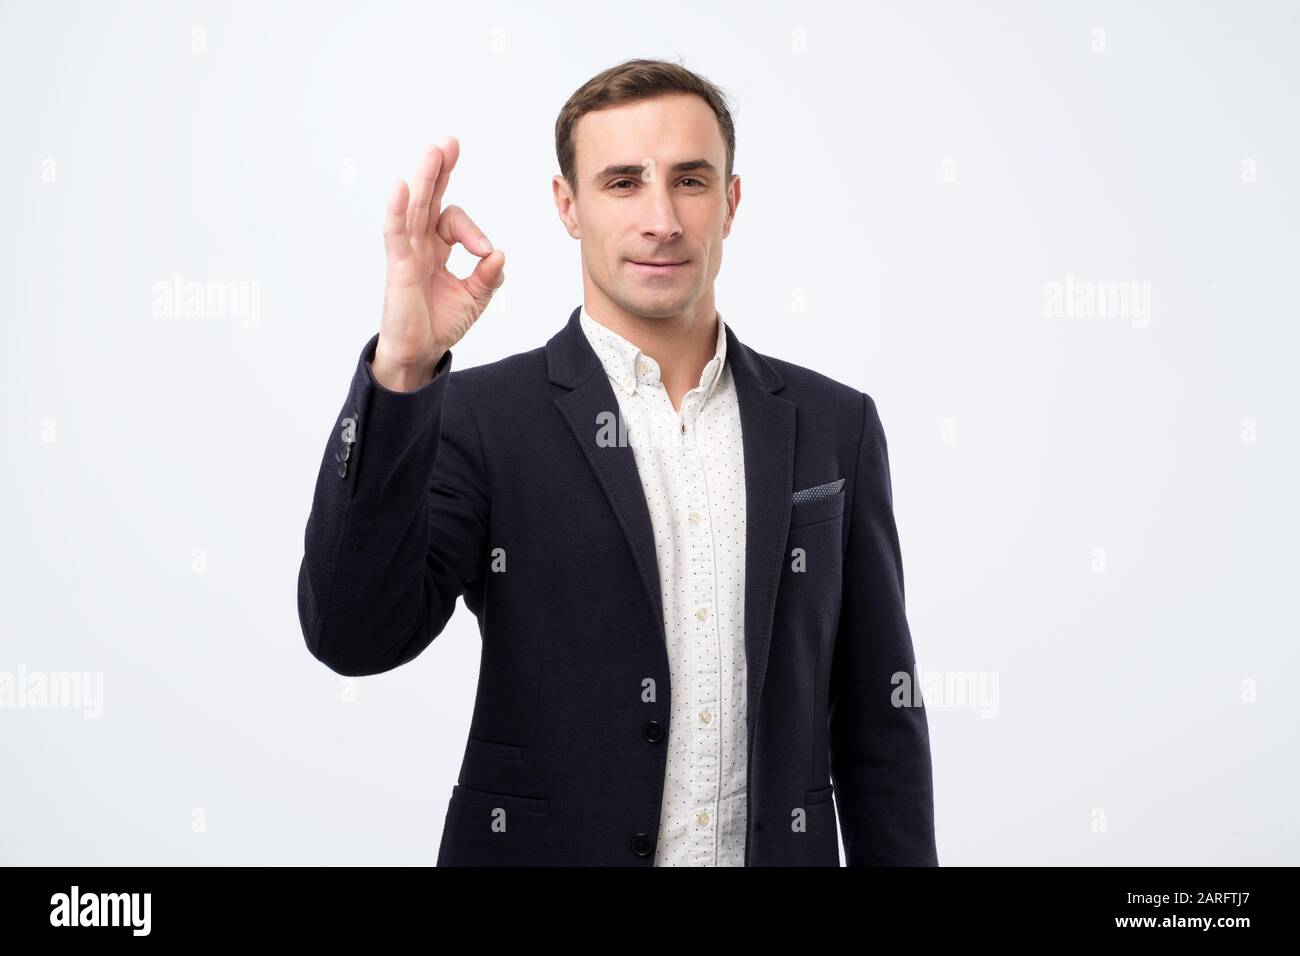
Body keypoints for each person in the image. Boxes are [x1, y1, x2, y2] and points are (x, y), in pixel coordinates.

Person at [297, 58, 938, 867]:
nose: (662, 218)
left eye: (692, 182)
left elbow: (881, 726)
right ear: (567, 205)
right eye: (624, 182)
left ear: (732, 202)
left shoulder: (834, 425)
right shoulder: (485, 419)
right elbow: (353, 634)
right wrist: (400, 370)